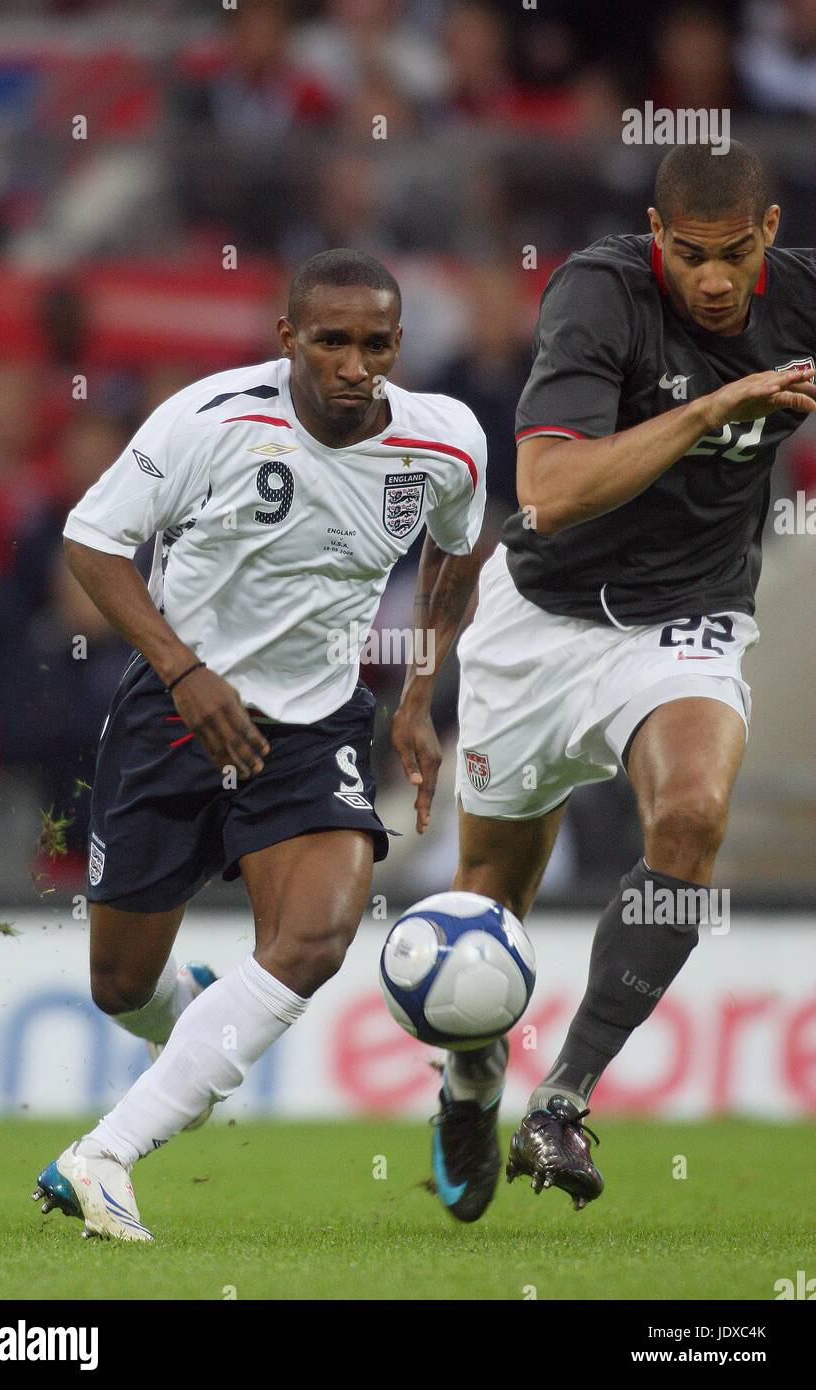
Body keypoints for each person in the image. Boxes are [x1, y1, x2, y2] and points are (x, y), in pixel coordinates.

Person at [32, 249, 486, 1240]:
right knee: (119, 987)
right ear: (288, 340)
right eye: (330, 340)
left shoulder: (444, 442)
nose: (353, 363)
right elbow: (92, 537)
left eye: (374, 343)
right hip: (171, 713)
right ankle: (193, 1013)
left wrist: (416, 692)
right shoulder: (207, 419)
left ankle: (104, 1152)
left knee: (315, 938)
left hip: (314, 723)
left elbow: (456, 540)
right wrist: (185, 673)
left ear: (396, 346)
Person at [409, 140, 816, 1221]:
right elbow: (542, 489)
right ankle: (470, 1075)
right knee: (489, 896)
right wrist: (709, 410)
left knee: (688, 812)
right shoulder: (598, 292)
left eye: (733, 254)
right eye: (689, 255)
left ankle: (563, 1095)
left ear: (768, 235)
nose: (713, 278)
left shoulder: (802, 301)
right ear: (655, 238)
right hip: (538, 624)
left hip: (683, 624)